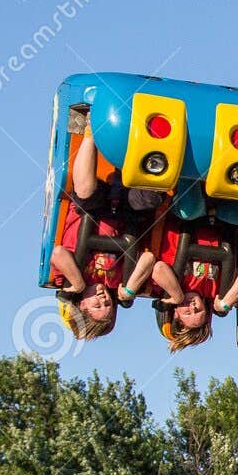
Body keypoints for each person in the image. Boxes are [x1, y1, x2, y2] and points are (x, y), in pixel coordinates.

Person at [47, 123, 160, 340]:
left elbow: (59, 253)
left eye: (97, 304)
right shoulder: (118, 284)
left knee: (85, 190)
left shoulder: (69, 281)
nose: (103, 298)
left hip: (91, 209)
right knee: (150, 200)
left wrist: (79, 283)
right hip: (124, 215)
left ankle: (91, 128)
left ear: (81, 304)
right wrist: (129, 289)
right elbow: (148, 259)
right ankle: (153, 139)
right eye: (107, 304)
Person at [152, 222, 238, 352]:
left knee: (191, 211)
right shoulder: (214, 291)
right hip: (223, 223)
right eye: (199, 310)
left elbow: (158, 268)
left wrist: (177, 296)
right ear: (206, 309)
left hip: (184, 220)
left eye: (188, 312)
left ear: (176, 313)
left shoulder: (168, 289)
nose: (193, 306)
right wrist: (224, 303)